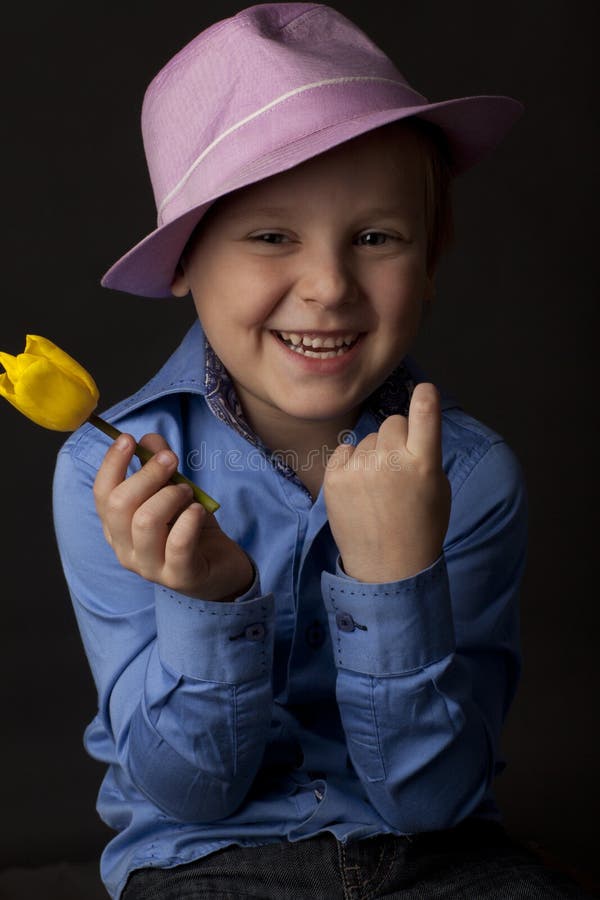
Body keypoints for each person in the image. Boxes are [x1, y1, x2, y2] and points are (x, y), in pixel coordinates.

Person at [52, 3, 591, 898]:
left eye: (376, 238)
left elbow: (434, 798)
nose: (330, 285)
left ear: (431, 256)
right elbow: (187, 792)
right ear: (185, 259)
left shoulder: (468, 474)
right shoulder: (109, 474)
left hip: (437, 857)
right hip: (211, 859)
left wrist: (393, 583)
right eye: (271, 236)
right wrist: (210, 603)